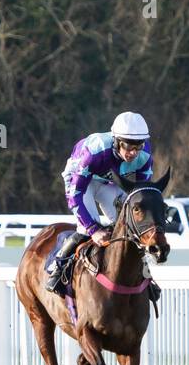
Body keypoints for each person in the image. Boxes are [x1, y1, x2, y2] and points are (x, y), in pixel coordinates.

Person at [44, 112, 158, 300]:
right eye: (128, 146)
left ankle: (146, 276)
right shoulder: (95, 151)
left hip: (107, 182)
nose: (133, 152)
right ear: (116, 141)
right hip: (80, 182)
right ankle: (58, 268)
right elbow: (76, 194)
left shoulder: (144, 156)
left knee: (130, 227)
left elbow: (141, 195)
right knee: (87, 228)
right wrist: (93, 229)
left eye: (138, 146)